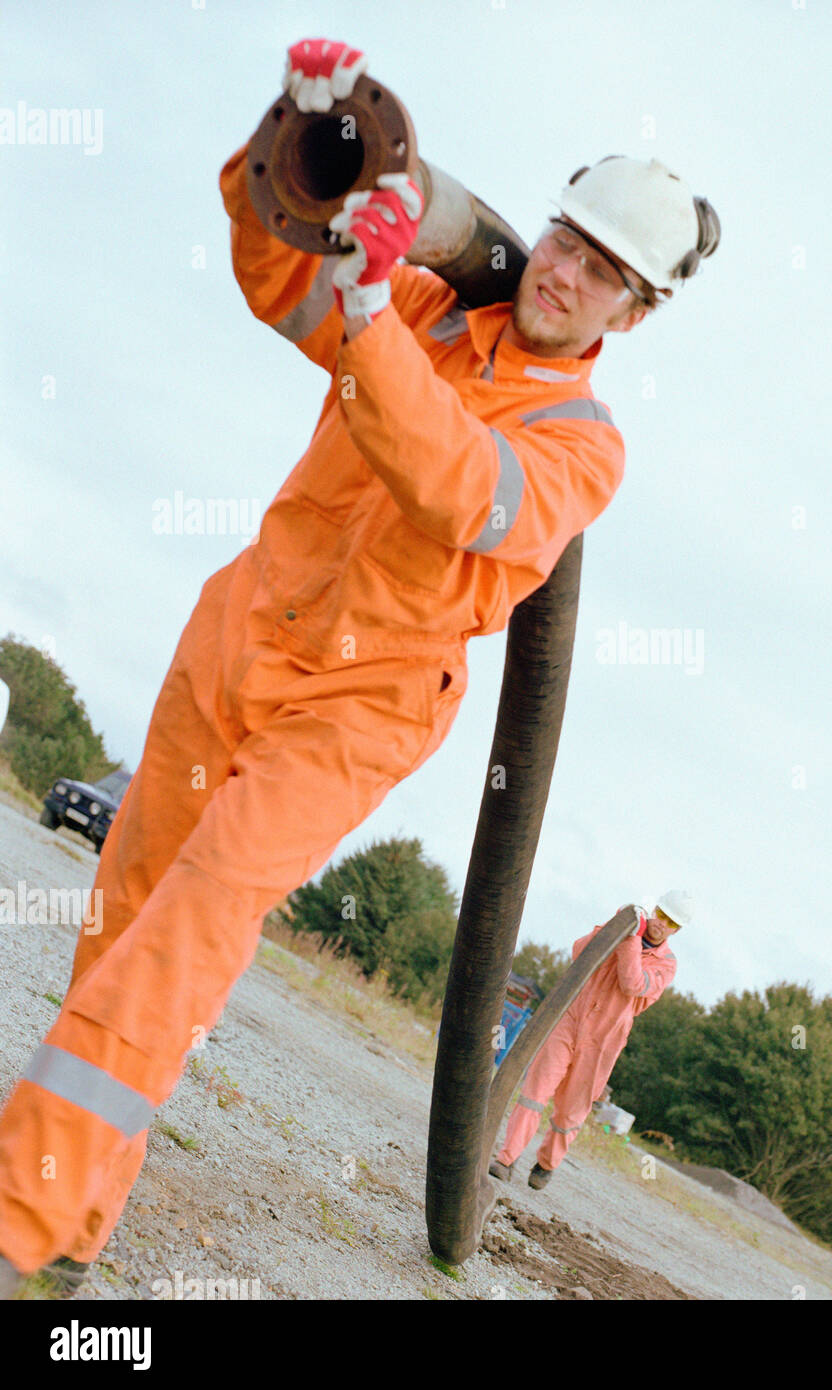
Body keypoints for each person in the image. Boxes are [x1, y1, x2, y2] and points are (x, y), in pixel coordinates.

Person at [0, 37, 717, 1296]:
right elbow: (276, 282)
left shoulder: (581, 445)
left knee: (190, 927)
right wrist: (287, 143)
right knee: (120, 928)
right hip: (240, 630)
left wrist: (379, 307)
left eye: (602, 272)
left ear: (636, 312)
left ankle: (14, 1222)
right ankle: (69, 1222)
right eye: (564, 240)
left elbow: (453, 484)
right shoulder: (442, 306)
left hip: (358, 704)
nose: (563, 273)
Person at [490, 891, 693, 1190]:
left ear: (677, 930)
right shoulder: (625, 929)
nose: (662, 924)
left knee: (571, 1110)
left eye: (671, 923)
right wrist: (615, 925)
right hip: (569, 1019)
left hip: (604, 1039)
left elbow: (632, 983)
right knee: (535, 1091)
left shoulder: (666, 965)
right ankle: (506, 1159)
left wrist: (631, 940)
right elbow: (579, 952)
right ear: (656, 909)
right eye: (661, 915)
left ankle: (547, 1164)